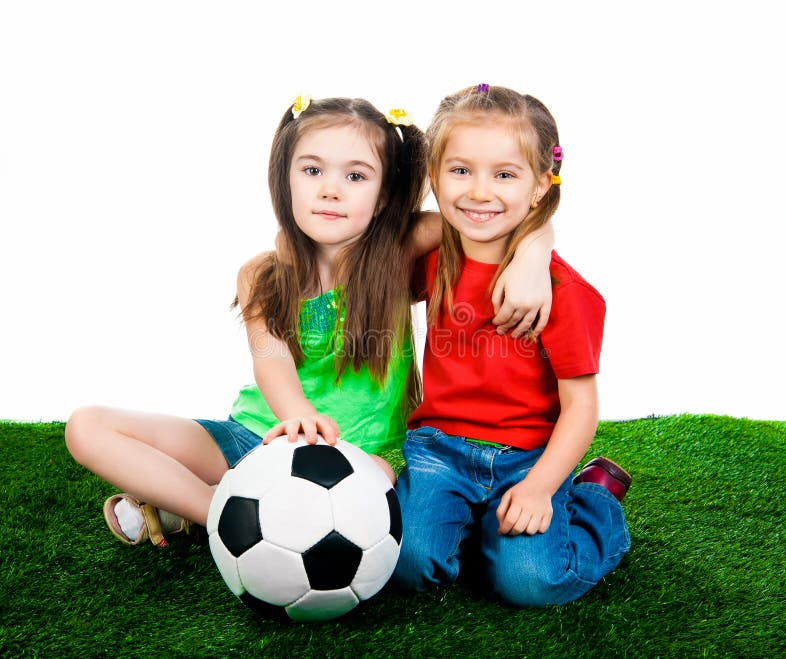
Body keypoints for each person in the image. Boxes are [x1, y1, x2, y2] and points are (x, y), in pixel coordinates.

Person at [64, 94, 555, 548]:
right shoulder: (261, 274)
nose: (331, 190)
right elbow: (270, 356)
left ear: (384, 195)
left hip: (355, 458)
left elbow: (480, 213)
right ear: (286, 179)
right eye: (313, 169)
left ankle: (201, 507)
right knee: (87, 427)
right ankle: (220, 511)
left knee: (379, 488)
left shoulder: (396, 250)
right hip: (257, 437)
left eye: (356, 176)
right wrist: (294, 413)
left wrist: (536, 251)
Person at [392, 84, 631, 607]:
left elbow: (581, 406)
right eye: (460, 170)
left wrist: (543, 485)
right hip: (440, 449)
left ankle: (595, 505)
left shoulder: (567, 294)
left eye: (504, 174)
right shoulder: (432, 255)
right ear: (433, 175)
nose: (479, 192)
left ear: (541, 186)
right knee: (406, 563)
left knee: (531, 583)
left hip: (529, 456)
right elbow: (360, 248)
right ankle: (480, 526)